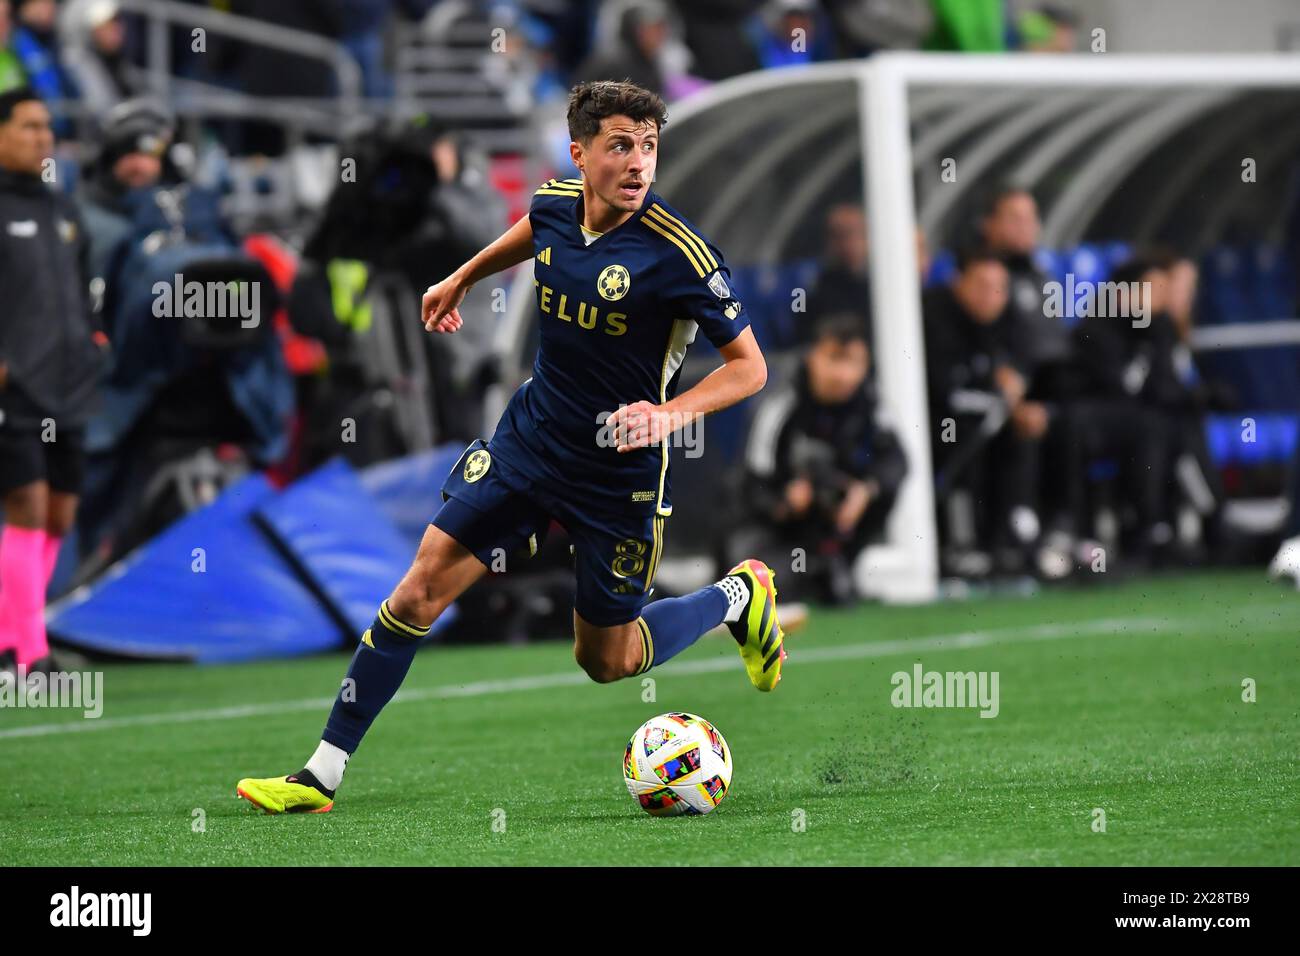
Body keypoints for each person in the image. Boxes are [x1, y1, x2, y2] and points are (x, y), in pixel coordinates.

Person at [235, 80, 786, 814]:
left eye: (650, 147)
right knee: (418, 588)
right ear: (580, 153)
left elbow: (751, 367)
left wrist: (668, 415)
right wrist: (462, 277)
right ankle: (319, 775)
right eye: (621, 145)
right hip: (531, 439)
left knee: (607, 660)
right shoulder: (557, 201)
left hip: (615, 473)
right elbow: (533, 228)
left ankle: (736, 596)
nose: (638, 163)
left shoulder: (677, 253)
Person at [0, 87, 105, 676]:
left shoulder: (62, 209)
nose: (42, 138)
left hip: (68, 384)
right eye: (28, 127)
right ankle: (28, 653)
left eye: (47, 128)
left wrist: (95, 337)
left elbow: (87, 288)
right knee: (27, 507)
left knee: (61, 515)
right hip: (14, 387)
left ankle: (10, 633)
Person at [741, 314, 907, 603]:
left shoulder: (870, 401)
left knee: (885, 490)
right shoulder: (782, 402)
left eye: (853, 363)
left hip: (836, 517)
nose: (842, 375)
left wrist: (865, 491)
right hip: (778, 525)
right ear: (812, 358)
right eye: (834, 359)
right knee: (768, 589)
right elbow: (751, 479)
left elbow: (898, 461)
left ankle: (838, 565)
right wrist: (784, 499)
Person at [924, 246, 1045, 573]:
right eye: (981, 285)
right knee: (967, 435)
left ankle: (1018, 537)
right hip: (939, 419)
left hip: (992, 415)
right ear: (957, 282)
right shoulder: (935, 315)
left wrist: (1015, 397)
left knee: (1034, 429)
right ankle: (962, 544)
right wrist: (1004, 399)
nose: (991, 296)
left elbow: (1023, 369)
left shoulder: (1009, 319)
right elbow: (947, 390)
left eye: (999, 288)